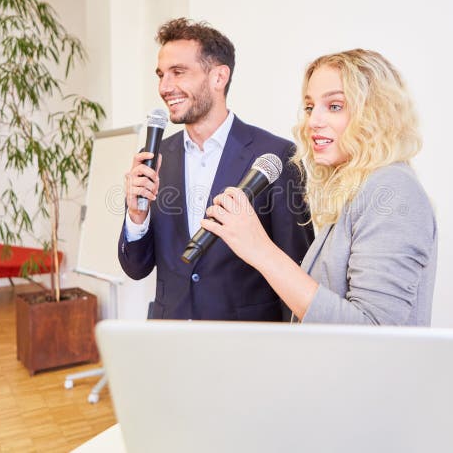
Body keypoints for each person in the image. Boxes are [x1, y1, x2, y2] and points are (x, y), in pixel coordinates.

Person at [199, 49, 437, 325]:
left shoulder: (392, 189)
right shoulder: (358, 190)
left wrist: (261, 250)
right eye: (310, 107)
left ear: (377, 114)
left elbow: (373, 330)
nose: (313, 121)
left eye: (334, 106)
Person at [118, 18, 314, 321]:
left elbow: (297, 266)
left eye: (178, 72)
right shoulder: (157, 157)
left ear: (219, 77)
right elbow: (136, 268)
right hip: (173, 339)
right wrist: (136, 217)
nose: (164, 87)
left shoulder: (276, 155)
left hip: (246, 345)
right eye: (161, 75)